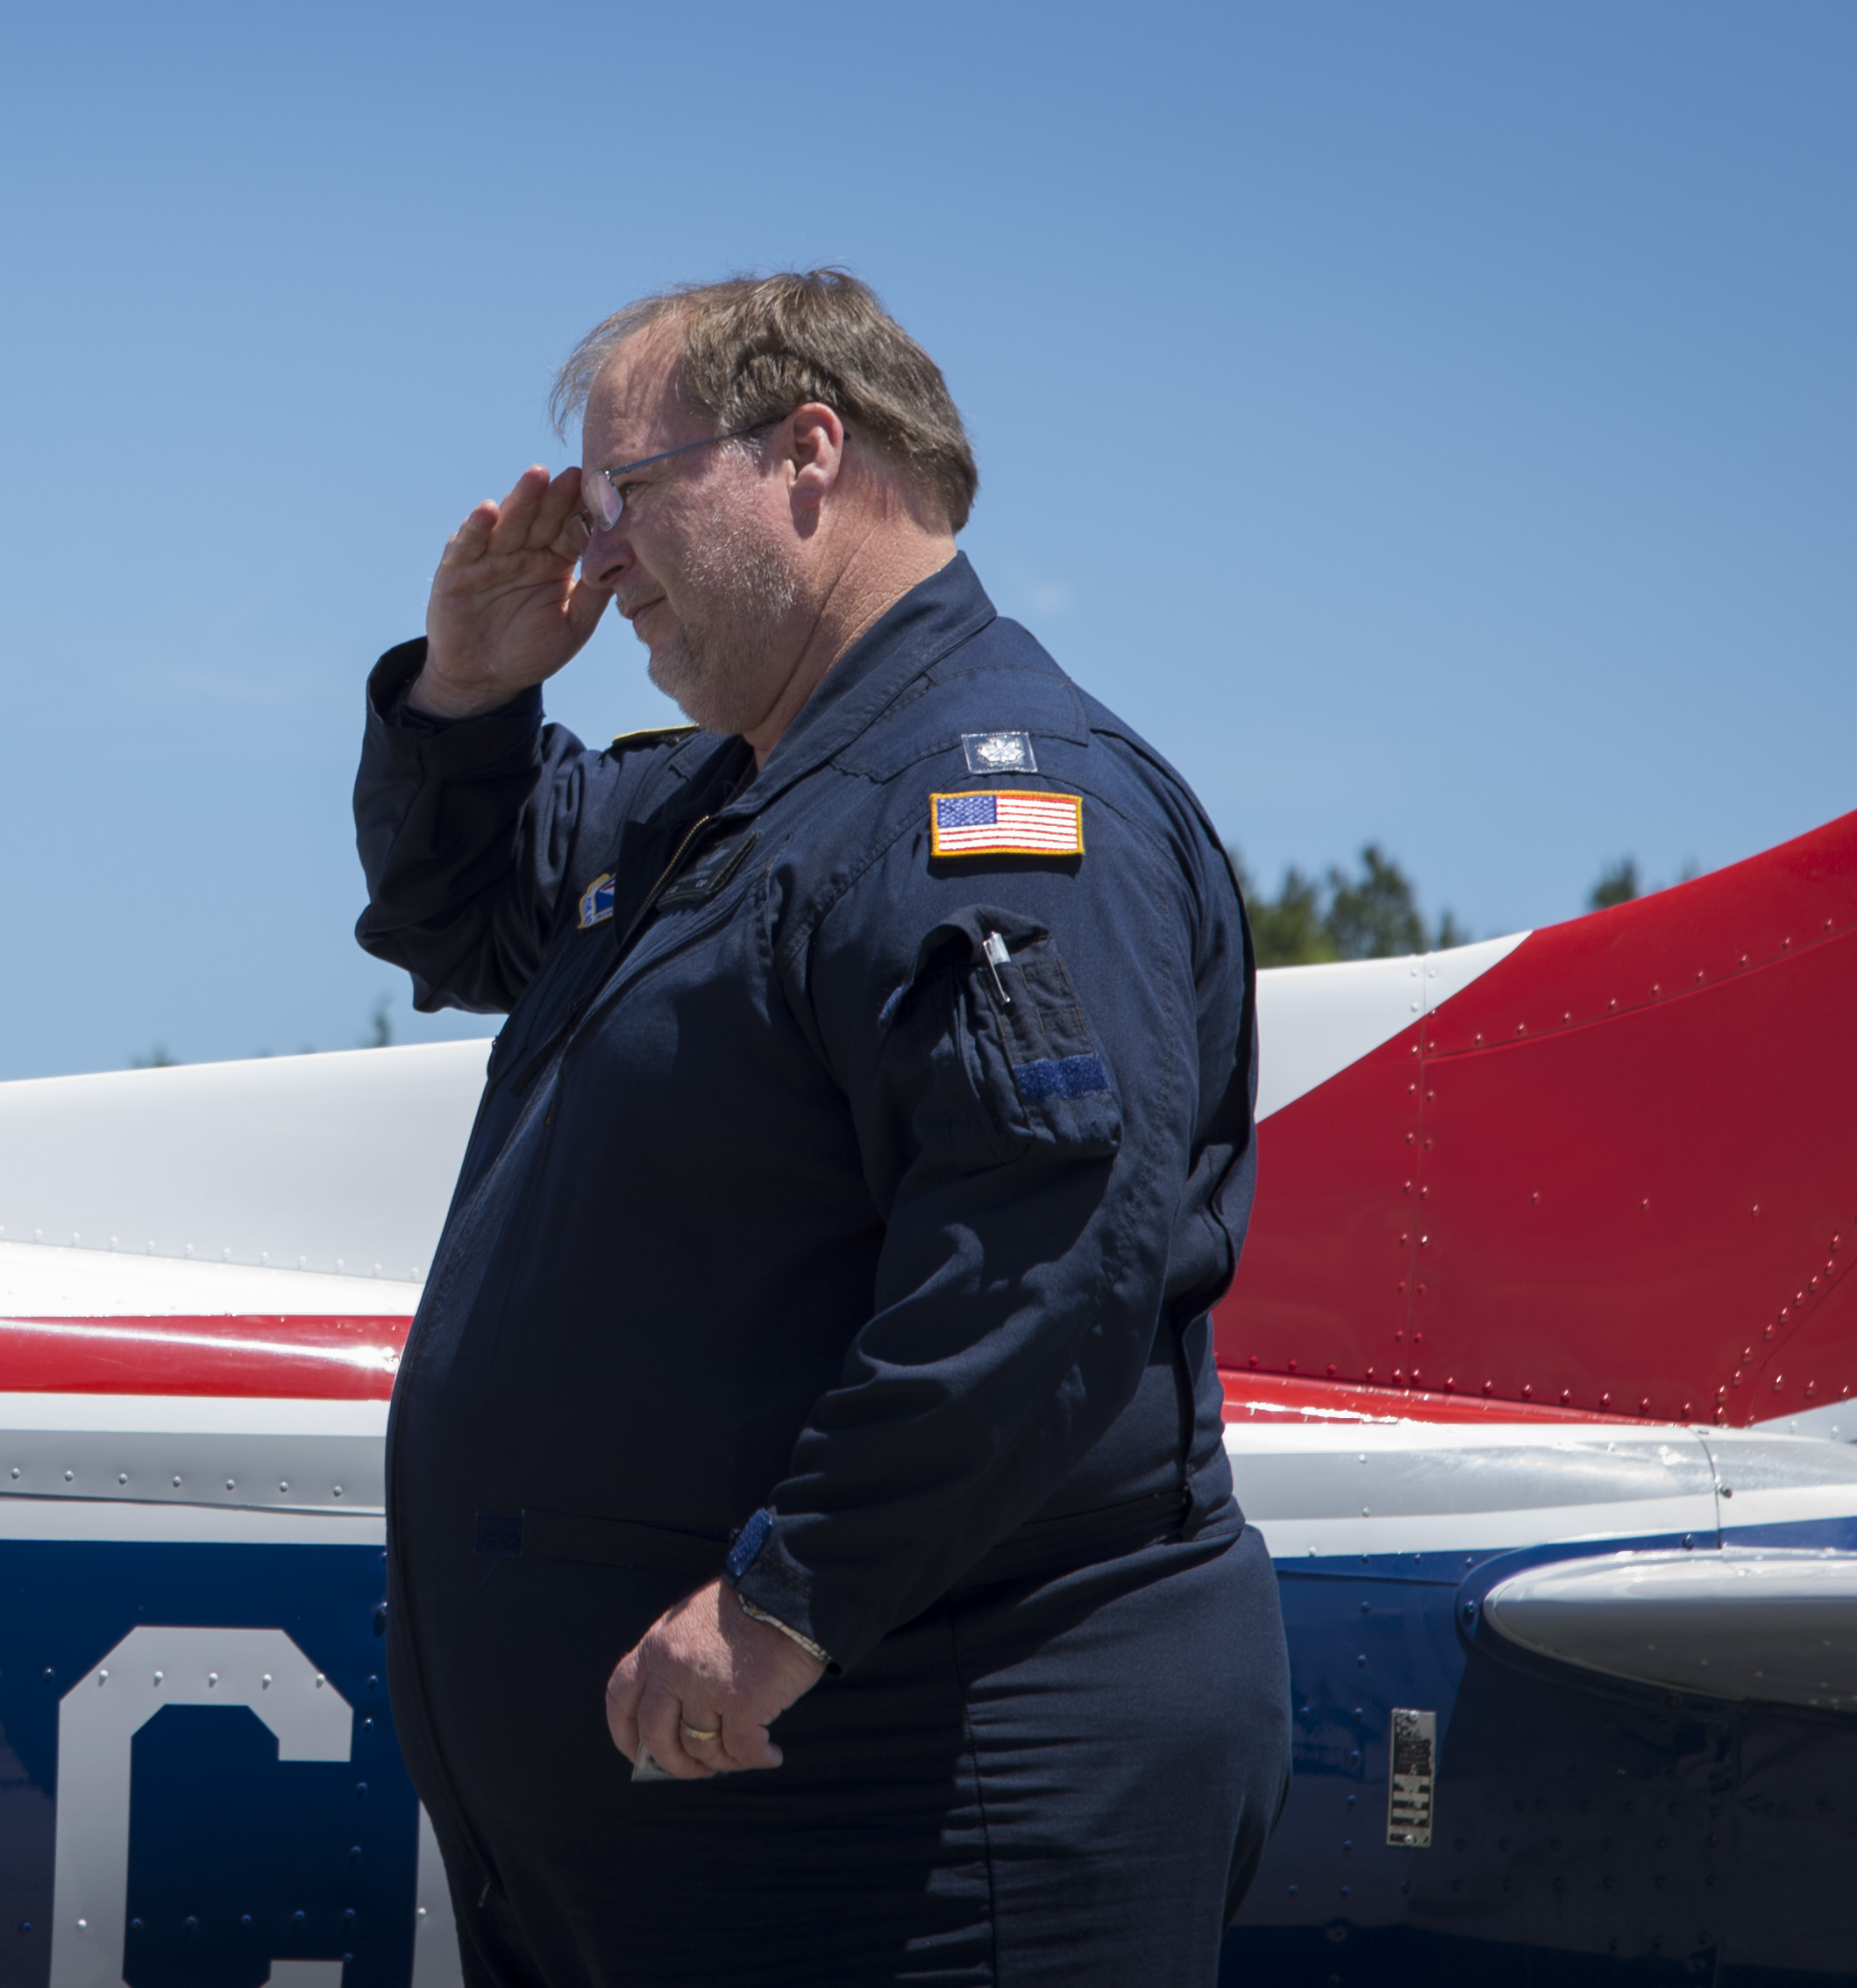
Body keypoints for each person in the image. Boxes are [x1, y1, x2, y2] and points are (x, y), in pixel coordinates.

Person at [354, 272, 1286, 1983]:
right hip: (718, 1844)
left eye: (625, 490)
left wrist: (786, 1604)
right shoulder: (734, 801)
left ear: (806, 450)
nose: (601, 551)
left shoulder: (993, 806)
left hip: (913, 1821)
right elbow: (464, 918)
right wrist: (468, 698)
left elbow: (1042, 1257)